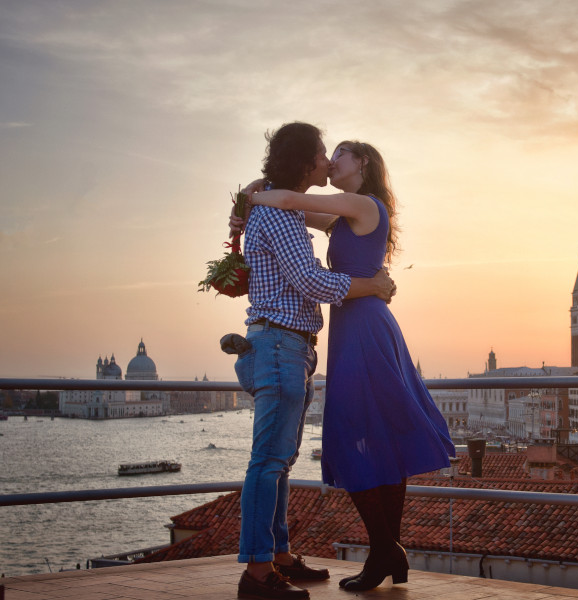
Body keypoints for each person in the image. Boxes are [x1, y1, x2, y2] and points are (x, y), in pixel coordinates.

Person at [245, 140, 455, 592]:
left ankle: (384, 549)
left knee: (353, 429)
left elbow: (288, 201)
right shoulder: (344, 215)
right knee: (377, 432)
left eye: (339, 153)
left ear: (362, 162)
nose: (331, 161)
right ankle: (388, 550)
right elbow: (291, 207)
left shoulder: (362, 203)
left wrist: (255, 195)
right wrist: (256, 191)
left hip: (363, 325)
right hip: (355, 323)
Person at [231, 123, 397, 600]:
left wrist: (248, 199)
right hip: (280, 346)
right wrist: (373, 285)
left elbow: (276, 202)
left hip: (290, 347)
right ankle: (258, 573)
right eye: (323, 153)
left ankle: (279, 555)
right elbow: (312, 281)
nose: (328, 161)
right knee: (269, 461)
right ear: (306, 162)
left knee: (280, 461)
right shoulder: (281, 214)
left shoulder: (289, 209)